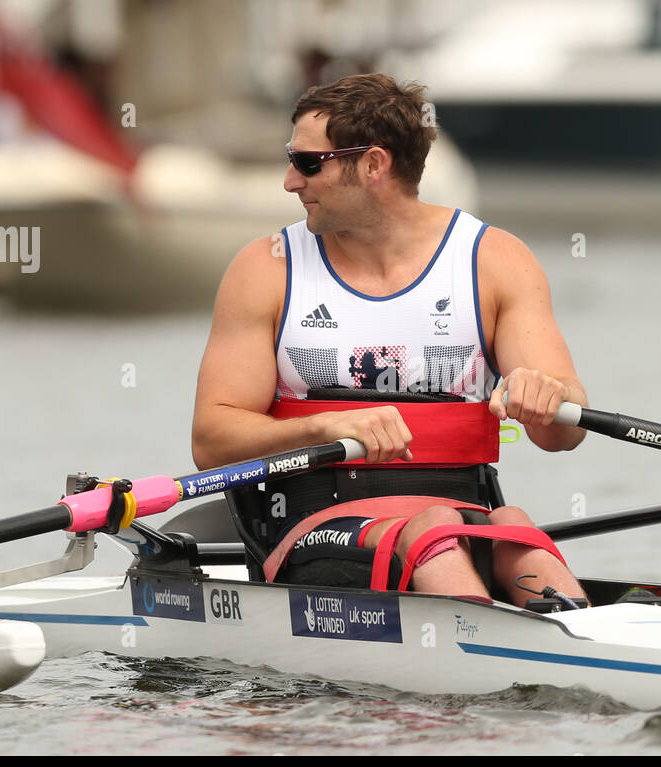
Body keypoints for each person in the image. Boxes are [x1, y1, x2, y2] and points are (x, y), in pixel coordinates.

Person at [191, 73, 588, 606]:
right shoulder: (266, 269)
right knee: (433, 535)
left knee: (519, 536)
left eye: (308, 163)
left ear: (373, 164)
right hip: (312, 528)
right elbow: (212, 440)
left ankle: (572, 640)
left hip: (465, 520)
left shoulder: (495, 261)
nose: (290, 181)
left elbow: (565, 433)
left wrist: (548, 399)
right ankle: (486, 652)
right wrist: (326, 426)